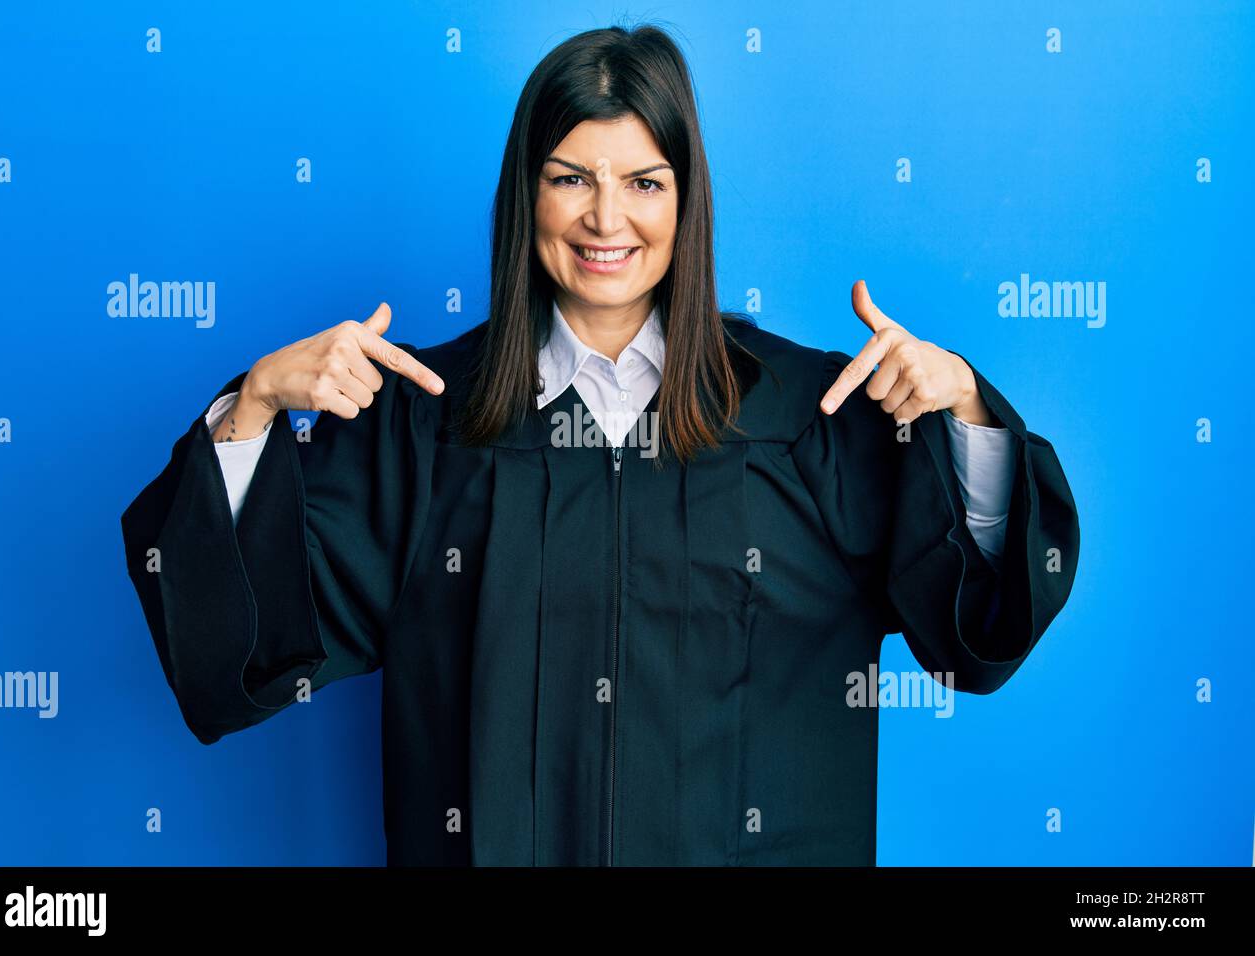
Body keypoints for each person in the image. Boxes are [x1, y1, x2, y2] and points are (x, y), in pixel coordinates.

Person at [121, 24, 1078, 866]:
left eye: (643, 182)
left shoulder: (809, 416)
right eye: (570, 178)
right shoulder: (426, 423)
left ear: (685, 201)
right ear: (525, 196)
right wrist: (252, 412)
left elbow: (977, 635)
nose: (606, 219)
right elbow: (244, 653)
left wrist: (967, 424)